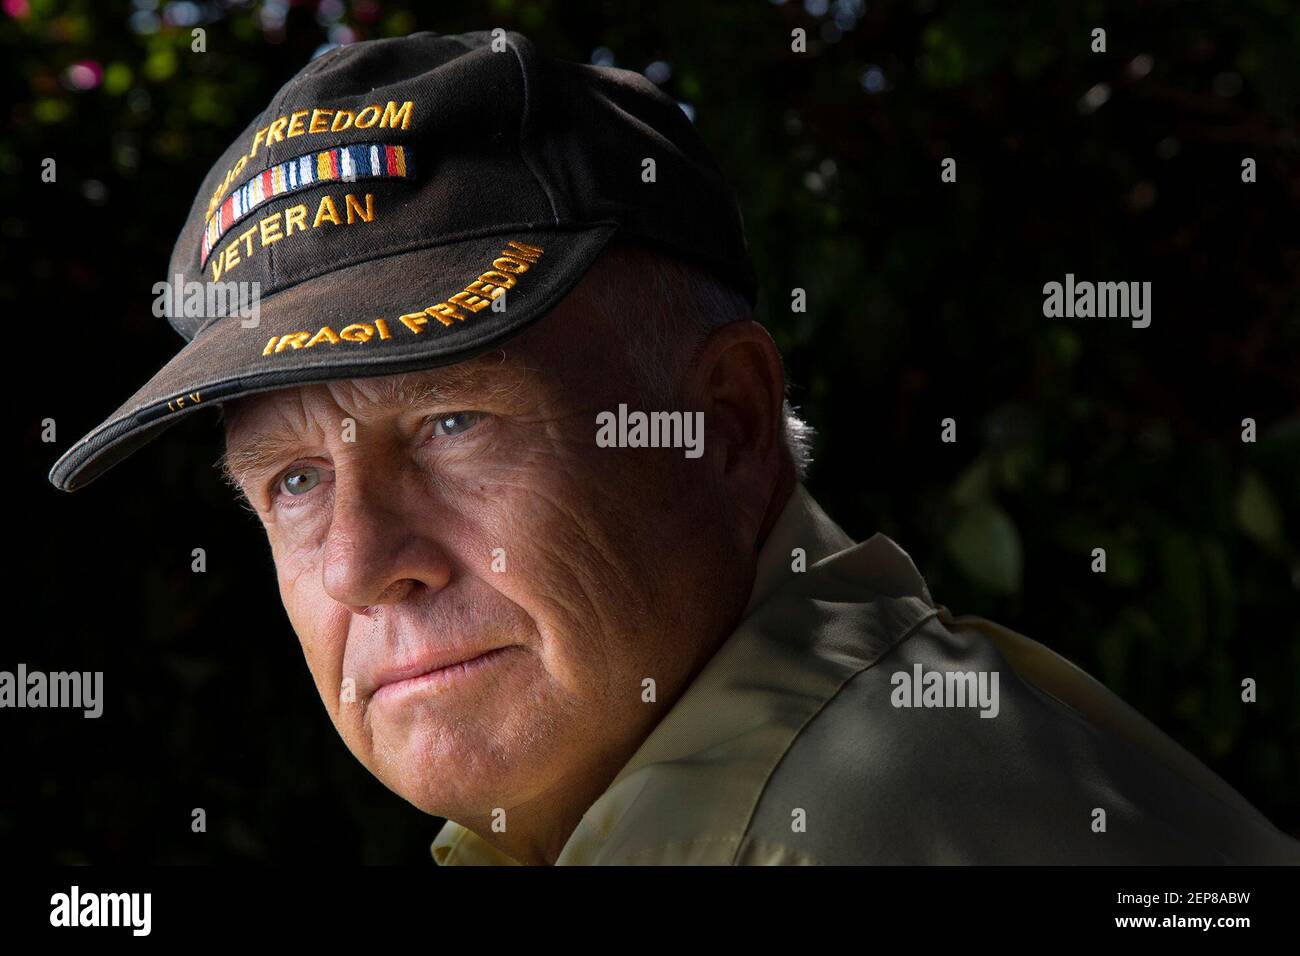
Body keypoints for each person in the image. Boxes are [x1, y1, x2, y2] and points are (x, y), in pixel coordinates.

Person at [51, 30, 1300, 865]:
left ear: (731, 424)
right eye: (295, 480)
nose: (362, 563)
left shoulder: (866, 818)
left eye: (450, 419)